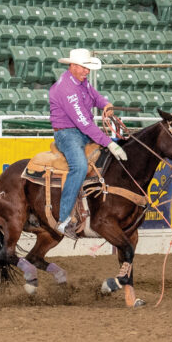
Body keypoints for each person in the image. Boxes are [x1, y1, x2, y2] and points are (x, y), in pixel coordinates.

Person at [49, 48, 128, 239]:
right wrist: (109, 143)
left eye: (88, 68)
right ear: (73, 66)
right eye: (84, 68)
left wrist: (106, 105)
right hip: (67, 134)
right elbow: (84, 123)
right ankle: (63, 219)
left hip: (81, 131)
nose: (87, 72)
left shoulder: (81, 82)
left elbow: (95, 96)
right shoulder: (66, 90)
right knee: (80, 166)